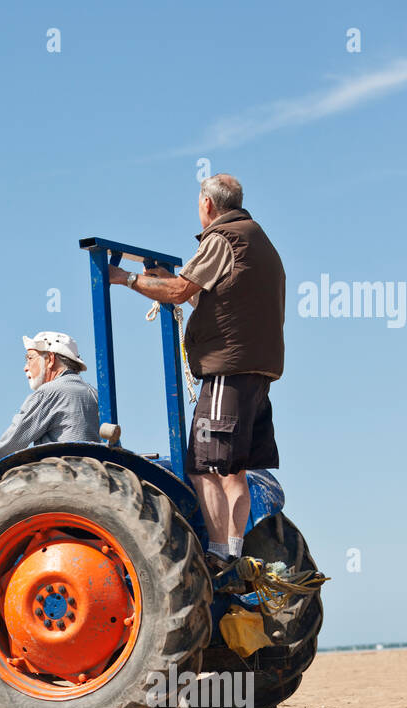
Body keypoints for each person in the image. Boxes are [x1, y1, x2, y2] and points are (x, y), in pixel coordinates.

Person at [108, 174, 286, 571]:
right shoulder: (258, 240)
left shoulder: (222, 240)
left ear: (207, 204)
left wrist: (127, 279)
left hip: (226, 367)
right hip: (258, 370)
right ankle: (236, 550)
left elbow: (178, 292)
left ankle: (221, 553)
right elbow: (216, 301)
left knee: (203, 466)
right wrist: (163, 283)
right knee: (235, 469)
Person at [0, 331, 99, 464]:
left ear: (50, 359)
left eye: (30, 358)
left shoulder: (49, 392)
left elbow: (13, 442)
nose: (25, 368)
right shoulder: (95, 394)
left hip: (60, 475)